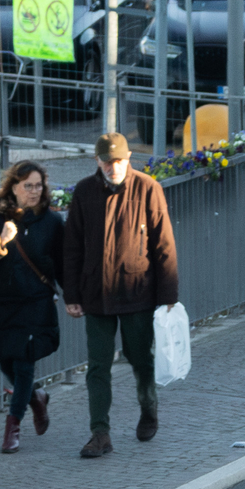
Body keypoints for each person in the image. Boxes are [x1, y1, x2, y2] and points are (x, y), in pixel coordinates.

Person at [60, 133, 179, 451]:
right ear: (97, 162)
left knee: (140, 359)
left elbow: (164, 245)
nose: (113, 167)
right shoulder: (84, 191)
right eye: (107, 162)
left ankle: (148, 410)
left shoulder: (148, 188)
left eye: (118, 161)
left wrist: (168, 297)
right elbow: (72, 247)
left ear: (128, 159)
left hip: (136, 291)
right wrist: (71, 295)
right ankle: (100, 432)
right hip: (95, 294)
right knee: (97, 366)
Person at [0, 161, 64, 455]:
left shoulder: (52, 222)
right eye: (28, 186)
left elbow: (62, 264)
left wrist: (74, 297)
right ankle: (36, 397)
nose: (34, 192)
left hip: (35, 302)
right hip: (2, 303)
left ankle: (13, 427)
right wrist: (0, 242)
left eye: (38, 186)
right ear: (14, 188)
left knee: (23, 364)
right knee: (5, 362)